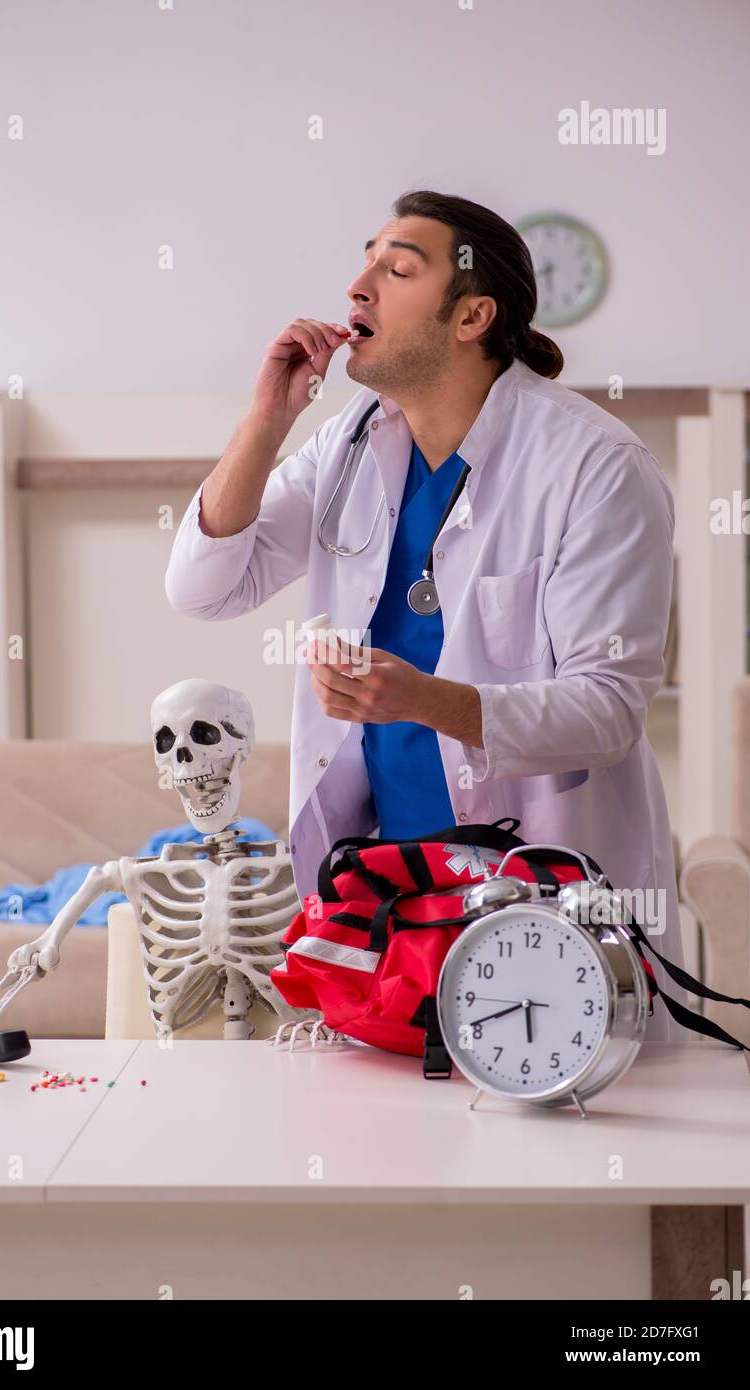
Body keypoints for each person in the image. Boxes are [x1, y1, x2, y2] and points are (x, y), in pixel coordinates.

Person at [165, 189, 686, 1040]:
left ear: (471, 316)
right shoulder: (352, 440)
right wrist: (267, 420)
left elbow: (606, 712)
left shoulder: (594, 465)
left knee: (542, 1108)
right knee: (384, 1120)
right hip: (384, 900)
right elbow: (203, 588)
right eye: (367, 261)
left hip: (541, 896)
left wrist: (421, 700)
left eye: (398, 269)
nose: (358, 285)